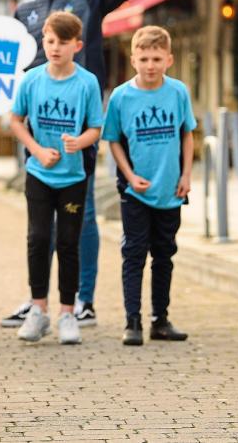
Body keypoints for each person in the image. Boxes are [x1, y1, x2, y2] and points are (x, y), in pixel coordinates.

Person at [3, 0, 142, 330]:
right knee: (40, 220)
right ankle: (38, 301)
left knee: (81, 217)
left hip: (80, 121)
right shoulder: (23, 9)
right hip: (36, 119)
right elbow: (11, 62)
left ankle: (82, 301)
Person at [11, 12, 102, 345]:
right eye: (49, 41)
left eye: (62, 43)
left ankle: (67, 313)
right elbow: (16, 120)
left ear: (76, 46)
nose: (54, 48)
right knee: (37, 238)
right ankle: (38, 310)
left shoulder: (87, 82)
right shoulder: (32, 79)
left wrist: (80, 142)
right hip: (38, 173)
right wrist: (36, 150)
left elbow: (96, 127)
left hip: (73, 177)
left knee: (68, 243)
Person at [101, 26, 194, 346]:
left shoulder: (179, 92)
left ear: (169, 59)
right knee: (134, 253)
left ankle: (160, 319)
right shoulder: (122, 97)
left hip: (171, 188)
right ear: (133, 59)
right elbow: (112, 140)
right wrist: (128, 175)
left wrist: (186, 175)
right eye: (144, 58)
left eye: (157, 58)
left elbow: (187, 133)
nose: (150, 65)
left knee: (165, 254)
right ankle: (133, 321)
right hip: (135, 190)